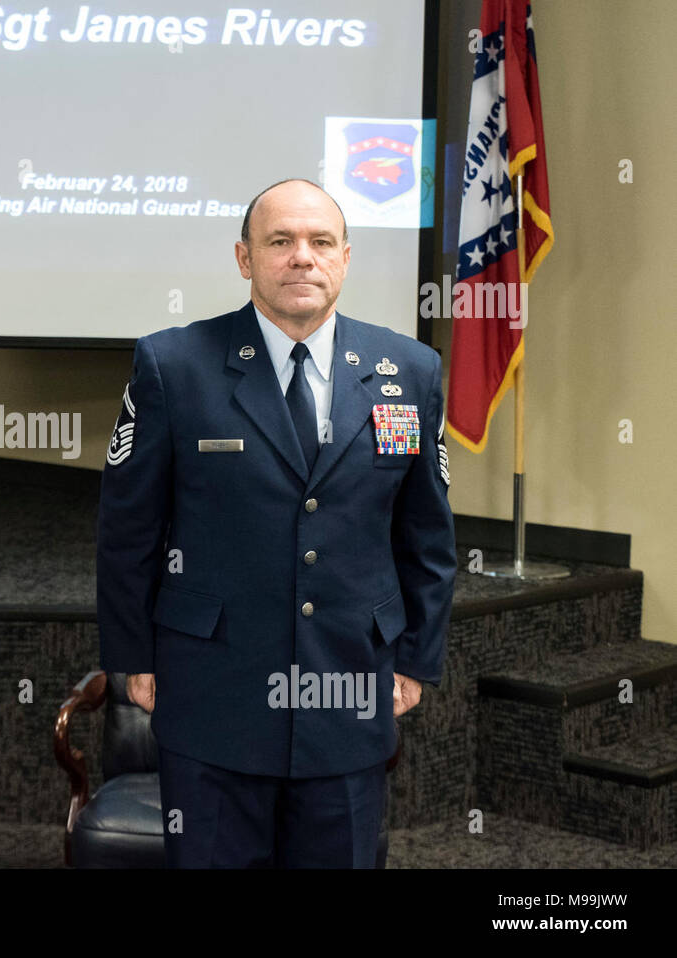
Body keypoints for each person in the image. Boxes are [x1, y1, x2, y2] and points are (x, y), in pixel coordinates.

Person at [96, 178, 455, 868]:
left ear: (345, 258)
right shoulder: (174, 366)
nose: (302, 258)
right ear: (244, 258)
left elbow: (428, 536)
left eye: (321, 242)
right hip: (211, 691)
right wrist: (132, 657)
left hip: (349, 687)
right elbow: (127, 534)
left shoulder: (407, 369)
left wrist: (415, 657)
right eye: (280, 241)